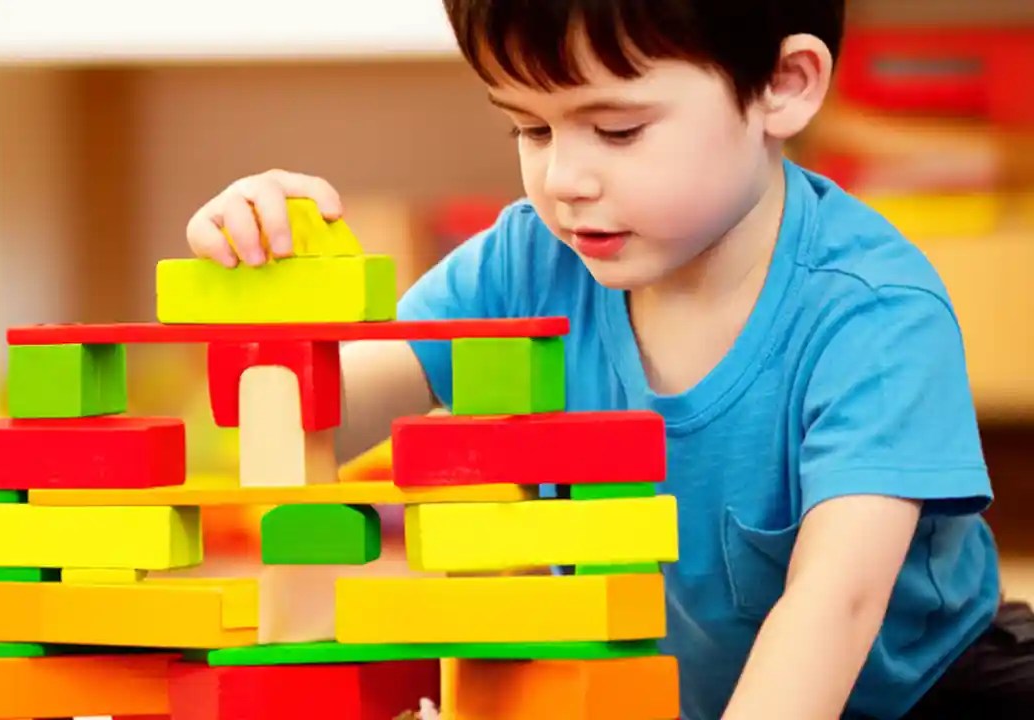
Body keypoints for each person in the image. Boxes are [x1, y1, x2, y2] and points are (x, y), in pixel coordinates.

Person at [184, 1, 1034, 717]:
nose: (563, 180)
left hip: (932, 688)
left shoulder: (872, 311)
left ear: (784, 86)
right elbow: (315, 422)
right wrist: (269, 282)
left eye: (617, 130)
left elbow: (836, 604)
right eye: (529, 127)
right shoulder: (527, 265)